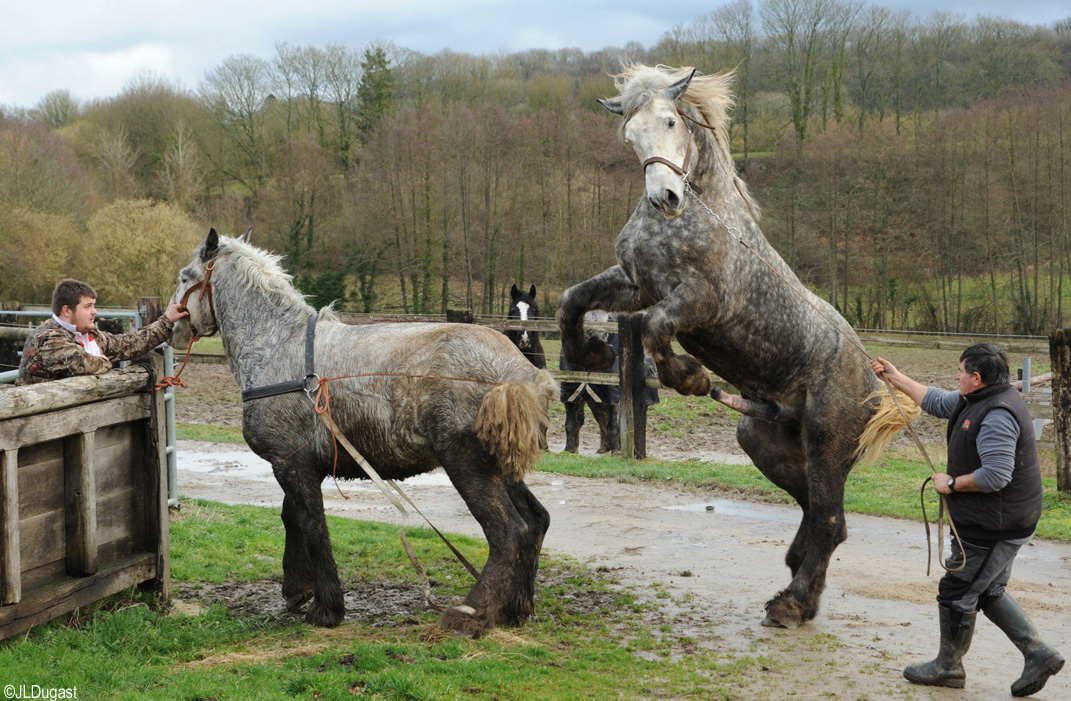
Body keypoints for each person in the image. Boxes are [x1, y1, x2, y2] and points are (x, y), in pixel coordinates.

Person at [872, 343, 1064, 697]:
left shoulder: (997, 415)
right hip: (1003, 520)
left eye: (960, 371)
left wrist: (951, 484)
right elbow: (934, 399)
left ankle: (948, 667)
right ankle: (1038, 654)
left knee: (957, 590)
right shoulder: (977, 398)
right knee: (987, 589)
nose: (956, 376)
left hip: (995, 526)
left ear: (976, 378)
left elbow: (996, 475)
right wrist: (895, 377)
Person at [16, 278, 188, 386]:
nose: (95, 311)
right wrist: (104, 362)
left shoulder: (89, 334)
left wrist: (167, 320)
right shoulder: (47, 338)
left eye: (94, 305)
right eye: (88, 306)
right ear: (66, 311)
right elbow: (82, 364)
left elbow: (128, 344)